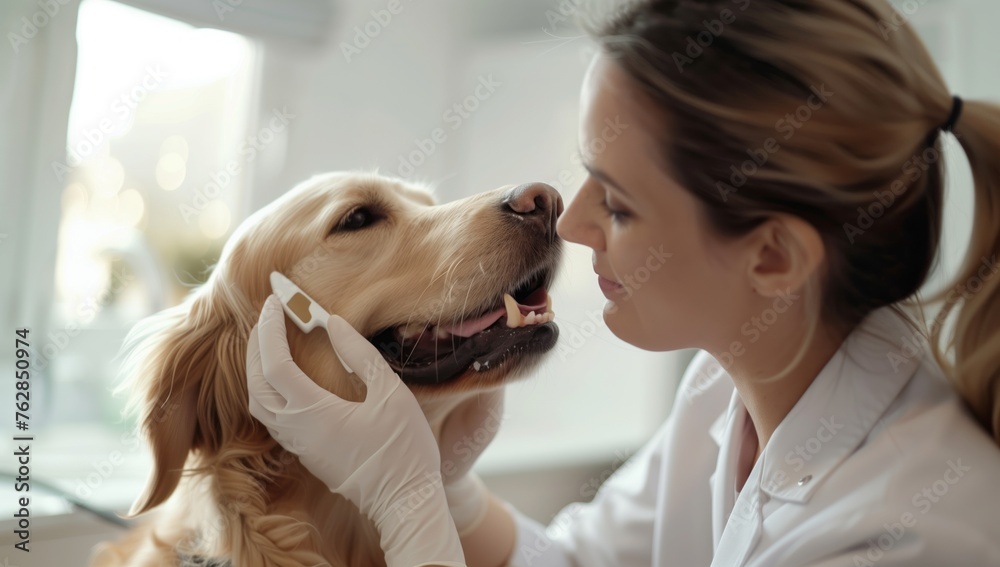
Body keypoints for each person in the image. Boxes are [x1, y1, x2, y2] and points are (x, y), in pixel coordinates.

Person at [244, 0, 1000, 565]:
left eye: (621, 203)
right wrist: (445, 482)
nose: (570, 226)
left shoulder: (904, 535)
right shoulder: (732, 384)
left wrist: (404, 502)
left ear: (773, 257)